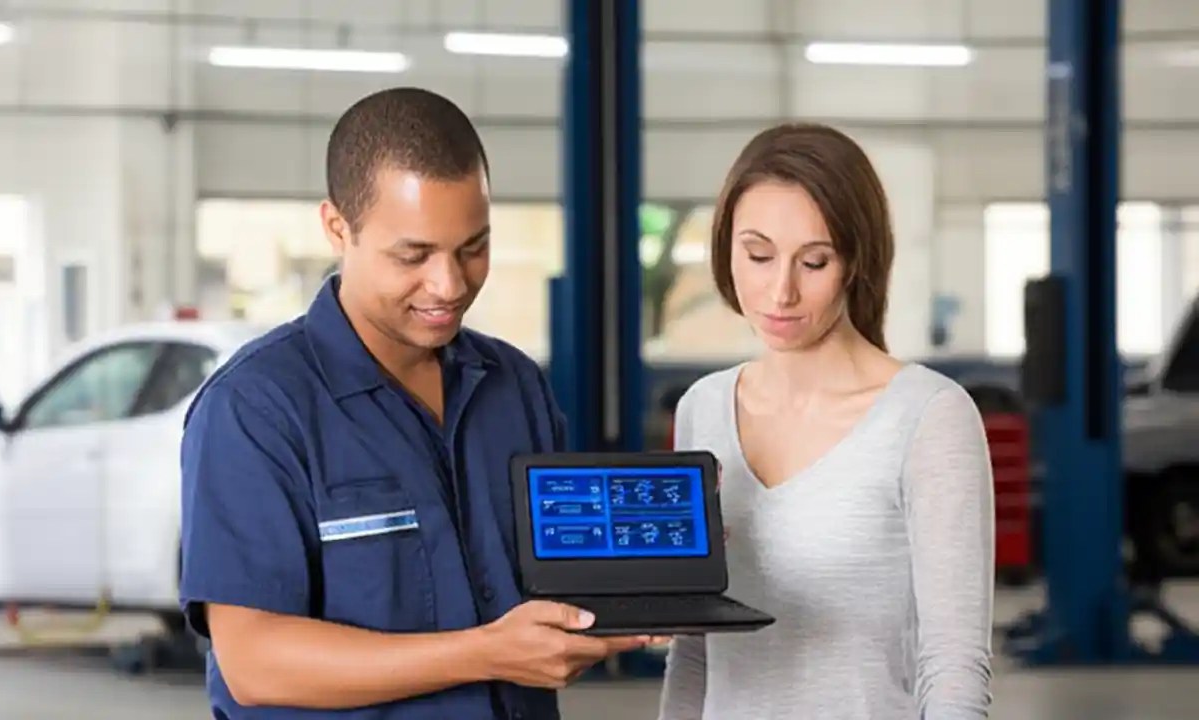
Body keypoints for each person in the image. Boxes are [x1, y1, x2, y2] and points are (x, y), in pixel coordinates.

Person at [179, 87, 653, 720]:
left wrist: (661, 553)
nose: (450, 285)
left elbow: (561, 569)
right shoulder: (256, 410)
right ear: (336, 227)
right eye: (414, 255)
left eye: (473, 247)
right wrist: (485, 653)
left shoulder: (514, 386)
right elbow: (255, 661)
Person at [657, 123, 995, 719]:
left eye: (814, 262)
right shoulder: (702, 411)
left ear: (855, 261)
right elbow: (695, 653)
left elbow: (954, 665)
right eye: (757, 255)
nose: (780, 291)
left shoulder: (927, 417)